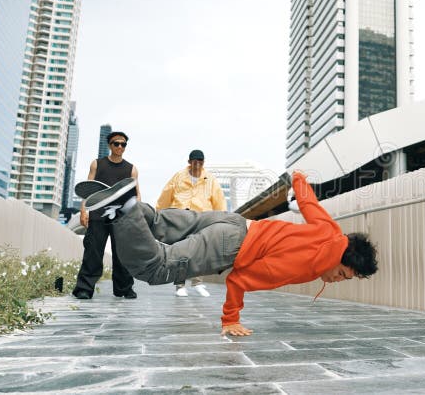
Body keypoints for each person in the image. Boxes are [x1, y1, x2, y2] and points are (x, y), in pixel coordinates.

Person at [80, 171, 378, 336]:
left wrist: (299, 179)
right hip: (229, 246)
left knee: (160, 223)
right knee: (157, 269)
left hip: (232, 221)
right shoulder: (304, 268)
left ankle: (125, 203)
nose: (337, 279)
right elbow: (240, 279)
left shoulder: (331, 230)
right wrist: (230, 319)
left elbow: (308, 199)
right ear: (342, 260)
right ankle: (125, 209)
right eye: (341, 274)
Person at [71, 131, 140, 300]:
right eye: (116, 143)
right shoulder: (97, 164)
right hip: (98, 215)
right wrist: (83, 210)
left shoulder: (131, 169)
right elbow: (87, 188)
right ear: (110, 145)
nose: (120, 147)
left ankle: (124, 288)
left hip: (121, 217)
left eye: (123, 144)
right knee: (92, 253)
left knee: (122, 254)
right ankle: (84, 289)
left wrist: (136, 215)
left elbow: (136, 194)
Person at [156, 149, 226, 297]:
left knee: (200, 252)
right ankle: (180, 285)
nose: (197, 165)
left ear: (203, 162)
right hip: (181, 218)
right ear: (189, 162)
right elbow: (166, 195)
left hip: (201, 218)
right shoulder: (178, 177)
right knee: (181, 251)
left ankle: (198, 283)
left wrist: (222, 218)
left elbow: (219, 200)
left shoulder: (210, 179)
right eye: (195, 161)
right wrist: (159, 214)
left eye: (200, 162)